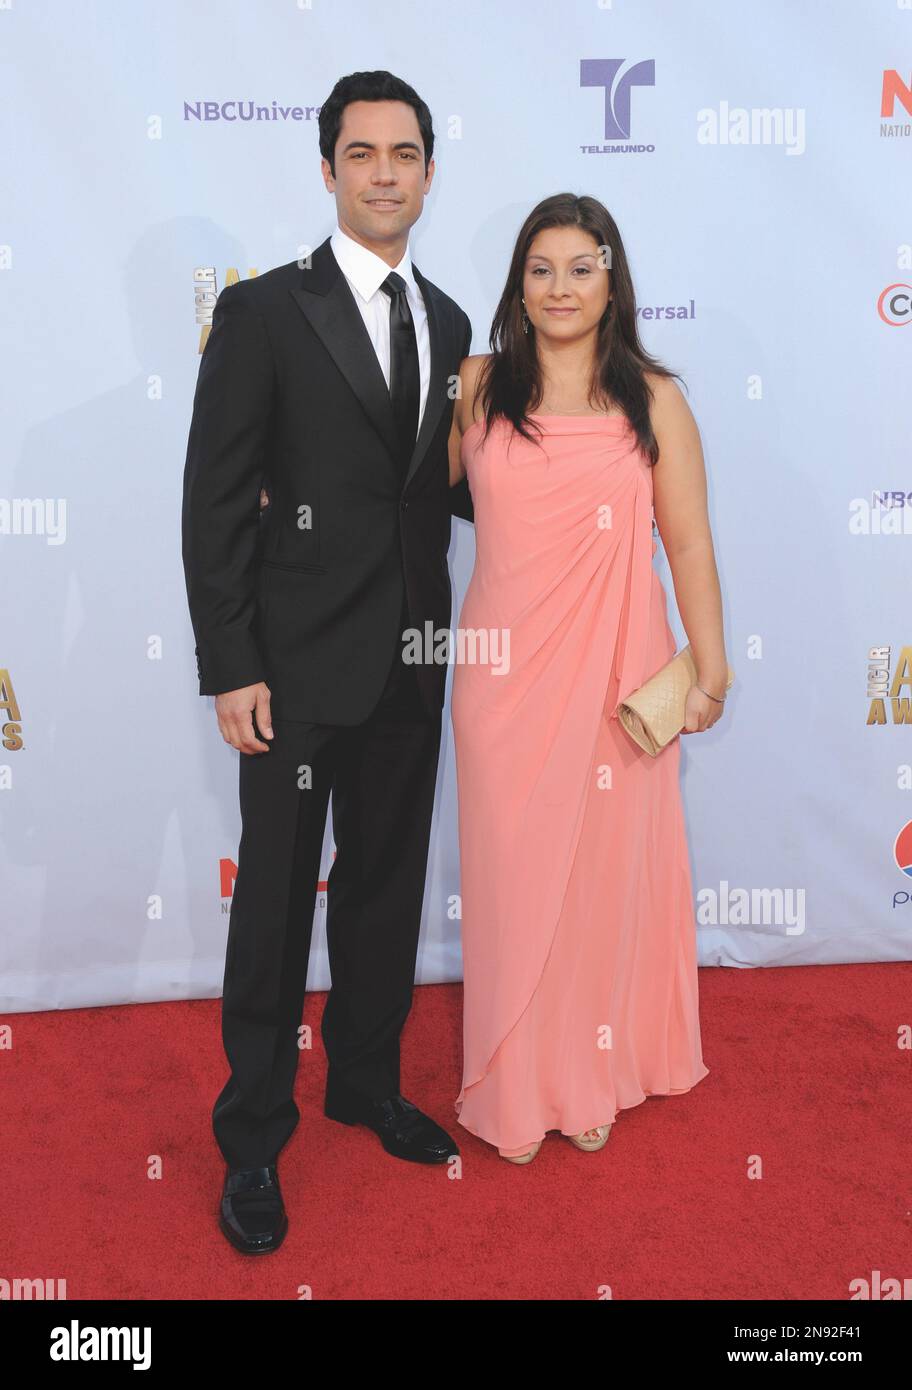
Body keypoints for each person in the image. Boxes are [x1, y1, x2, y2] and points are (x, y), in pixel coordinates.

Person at [181, 70, 474, 1254]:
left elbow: (447, 488)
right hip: (292, 674)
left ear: (429, 171)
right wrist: (231, 663)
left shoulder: (450, 321)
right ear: (327, 170)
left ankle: (362, 1079)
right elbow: (214, 504)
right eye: (363, 155)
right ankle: (254, 1138)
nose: (386, 173)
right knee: (271, 912)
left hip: (411, 659)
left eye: (406, 154)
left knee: (385, 888)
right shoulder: (262, 314)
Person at [447, 193, 728, 1163]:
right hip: (501, 679)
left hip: (619, 676)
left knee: (599, 886)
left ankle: (589, 1073)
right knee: (512, 881)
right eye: (541, 267)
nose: (561, 286)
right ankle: (516, 1082)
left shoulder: (654, 397)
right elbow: (399, 501)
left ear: (613, 282)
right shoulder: (478, 387)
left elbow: (686, 539)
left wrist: (711, 663)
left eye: (582, 266)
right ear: (518, 286)